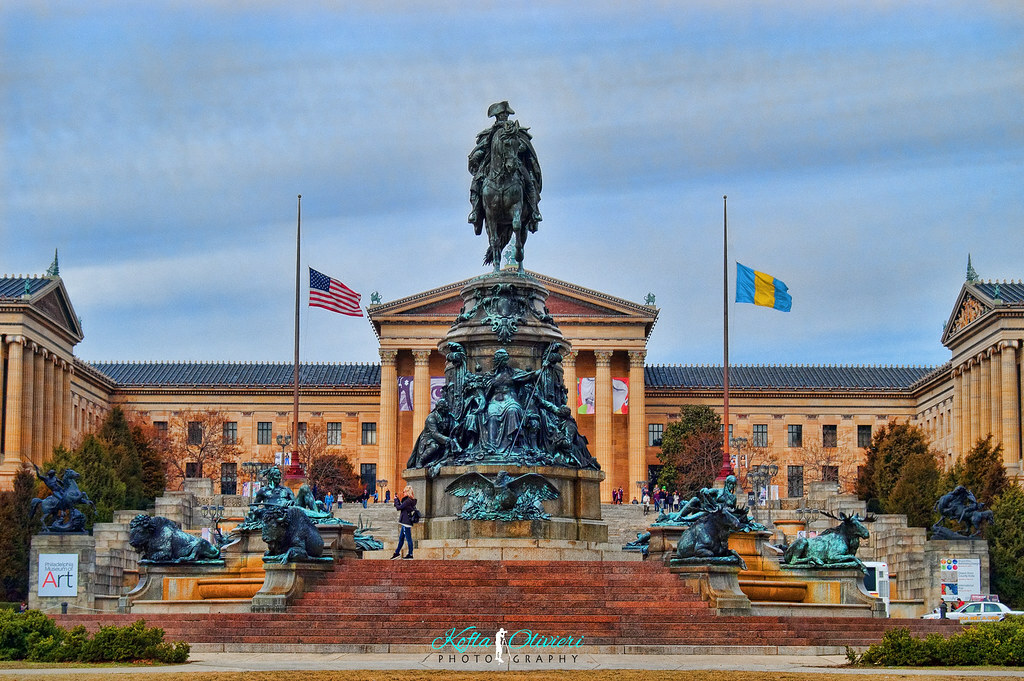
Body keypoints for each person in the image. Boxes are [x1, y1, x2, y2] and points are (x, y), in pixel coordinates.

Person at [392, 485, 417, 560]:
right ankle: (397, 553)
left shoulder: (408, 501)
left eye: (404, 492)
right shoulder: (409, 501)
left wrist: (396, 500)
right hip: (406, 521)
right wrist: (398, 500)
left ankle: (410, 554)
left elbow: (399, 507)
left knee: (408, 538)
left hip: (406, 522)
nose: (403, 493)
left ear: (407, 492)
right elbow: (402, 506)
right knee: (401, 538)